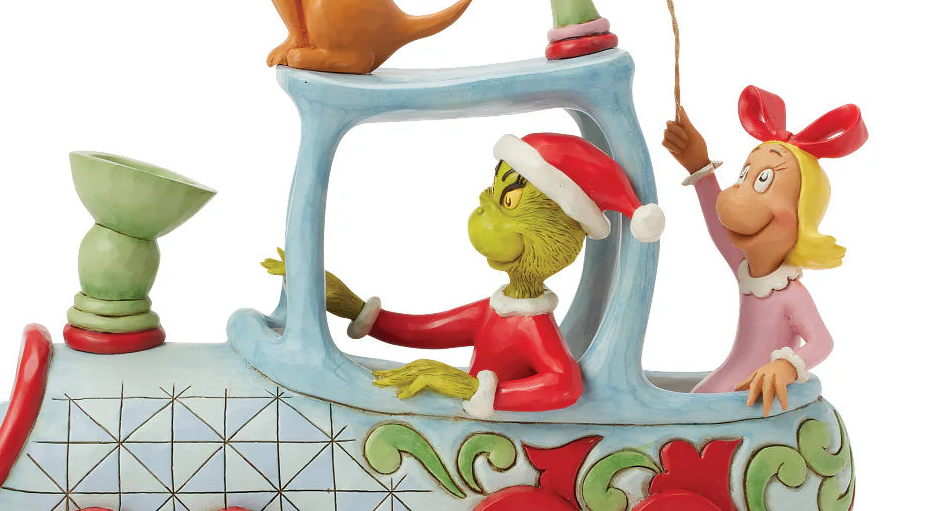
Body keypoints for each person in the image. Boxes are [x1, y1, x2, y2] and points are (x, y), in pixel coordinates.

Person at [265, 131, 664, 416]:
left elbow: (564, 384)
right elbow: (426, 330)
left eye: (508, 200)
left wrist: (474, 389)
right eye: (494, 189)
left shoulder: (531, 324)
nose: (484, 202)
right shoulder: (497, 310)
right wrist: (353, 307)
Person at [662, 85, 868, 414]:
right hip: (719, 393)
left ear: (800, 216)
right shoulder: (749, 271)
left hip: (754, 401)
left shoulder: (789, 293)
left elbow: (822, 341)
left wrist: (787, 365)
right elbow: (718, 229)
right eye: (745, 176)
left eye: (764, 182)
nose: (739, 193)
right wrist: (700, 167)